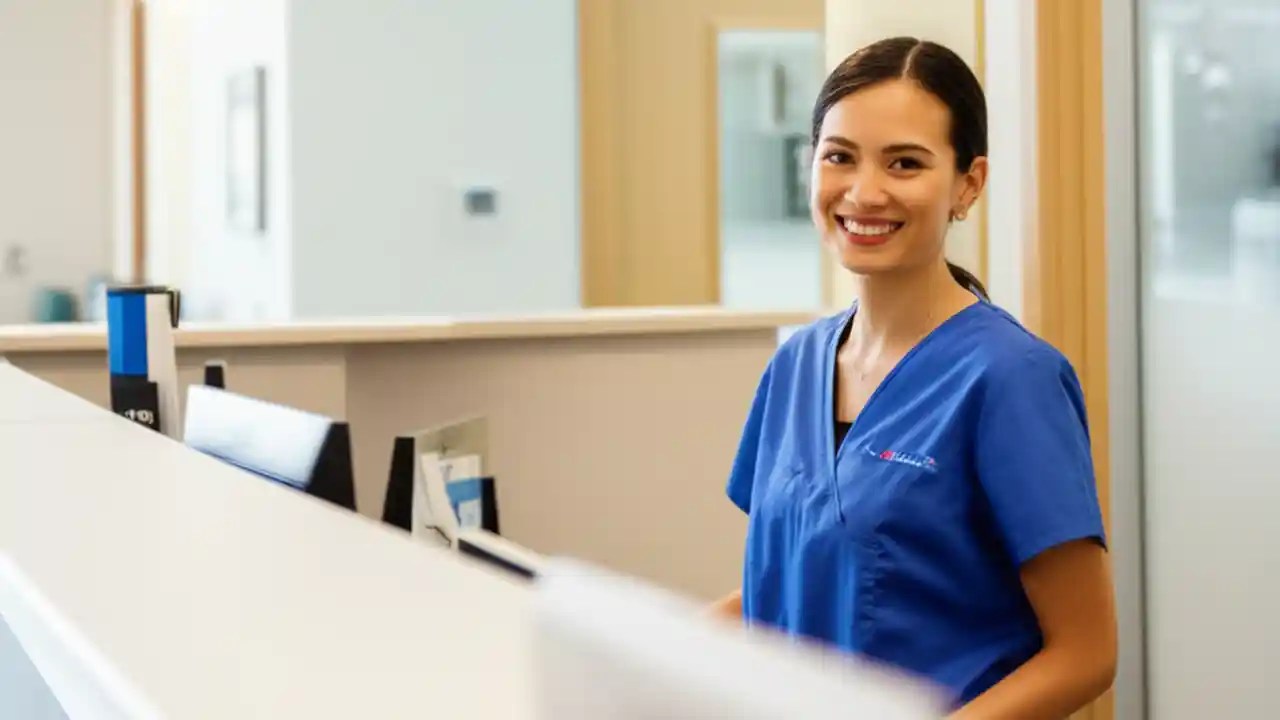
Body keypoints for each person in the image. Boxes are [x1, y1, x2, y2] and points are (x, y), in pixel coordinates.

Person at [712, 37, 1116, 717]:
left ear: (969, 183)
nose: (864, 192)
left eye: (904, 163)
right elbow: (783, 589)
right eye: (839, 156)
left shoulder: (1011, 380)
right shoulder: (796, 363)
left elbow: (1085, 652)